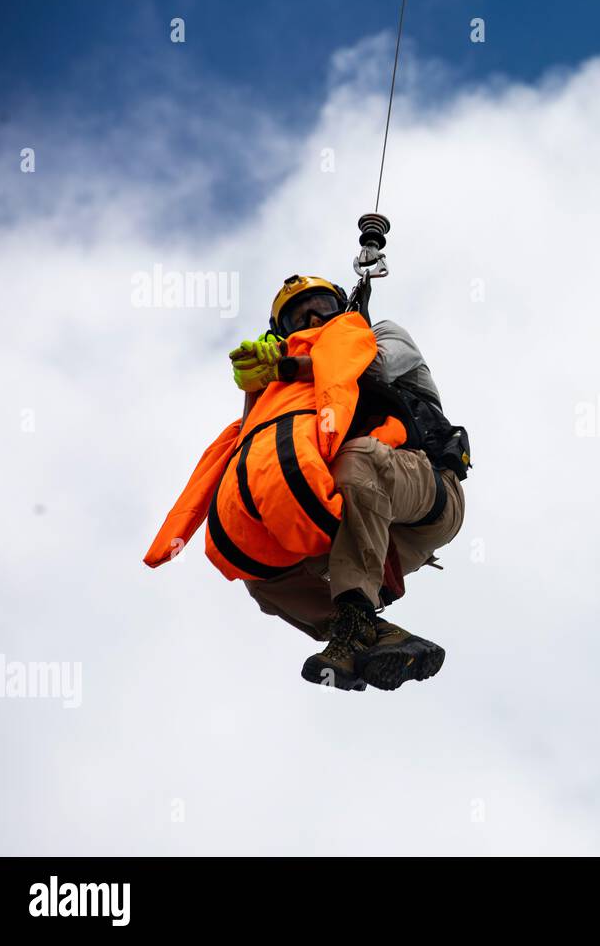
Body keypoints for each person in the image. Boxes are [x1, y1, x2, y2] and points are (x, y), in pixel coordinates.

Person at [146, 274, 469, 692]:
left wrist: (284, 367)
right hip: (355, 522)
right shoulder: (287, 395)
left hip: (425, 494)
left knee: (358, 460)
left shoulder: (383, 335)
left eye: (321, 307)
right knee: (257, 563)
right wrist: (257, 388)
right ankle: (365, 634)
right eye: (298, 315)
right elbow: (257, 452)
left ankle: (355, 613)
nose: (313, 317)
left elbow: (368, 367)